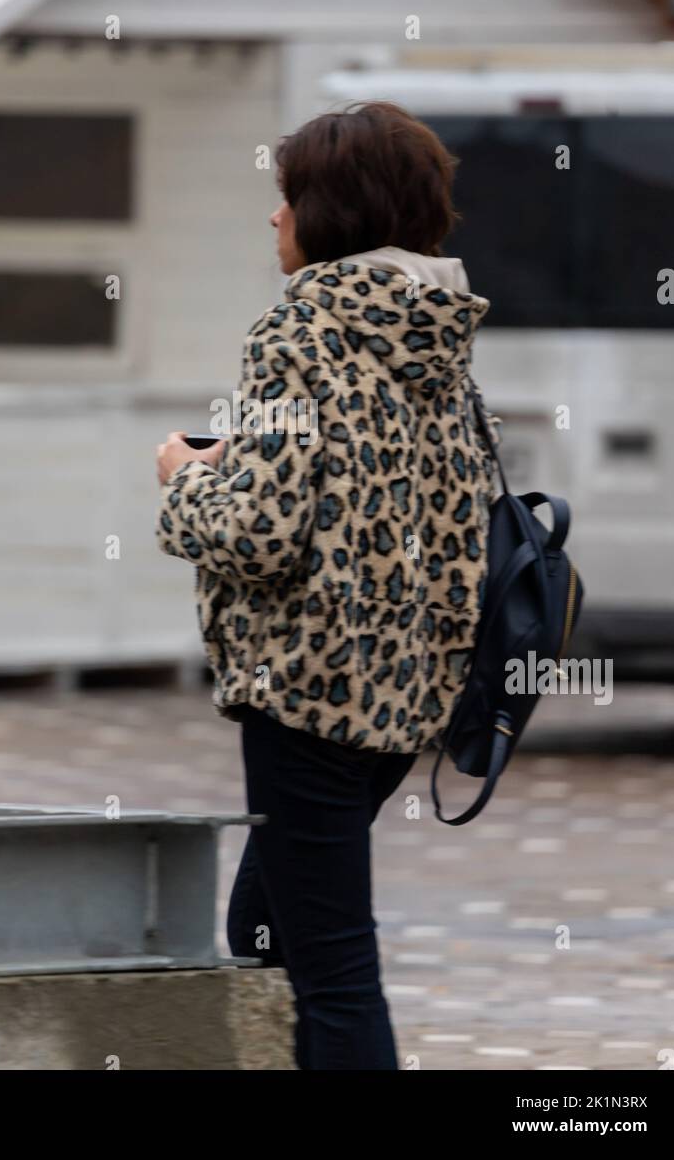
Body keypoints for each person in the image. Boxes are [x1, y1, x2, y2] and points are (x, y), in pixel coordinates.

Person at [155, 101, 497, 1070]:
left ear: (331, 211)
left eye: (287, 197)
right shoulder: (433, 330)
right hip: (405, 697)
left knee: (335, 972)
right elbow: (382, 490)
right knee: (262, 926)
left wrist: (184, 474)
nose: (273, 218)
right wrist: (250, 454)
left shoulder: (299, 331)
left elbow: (259, 531)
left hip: (308, 693)